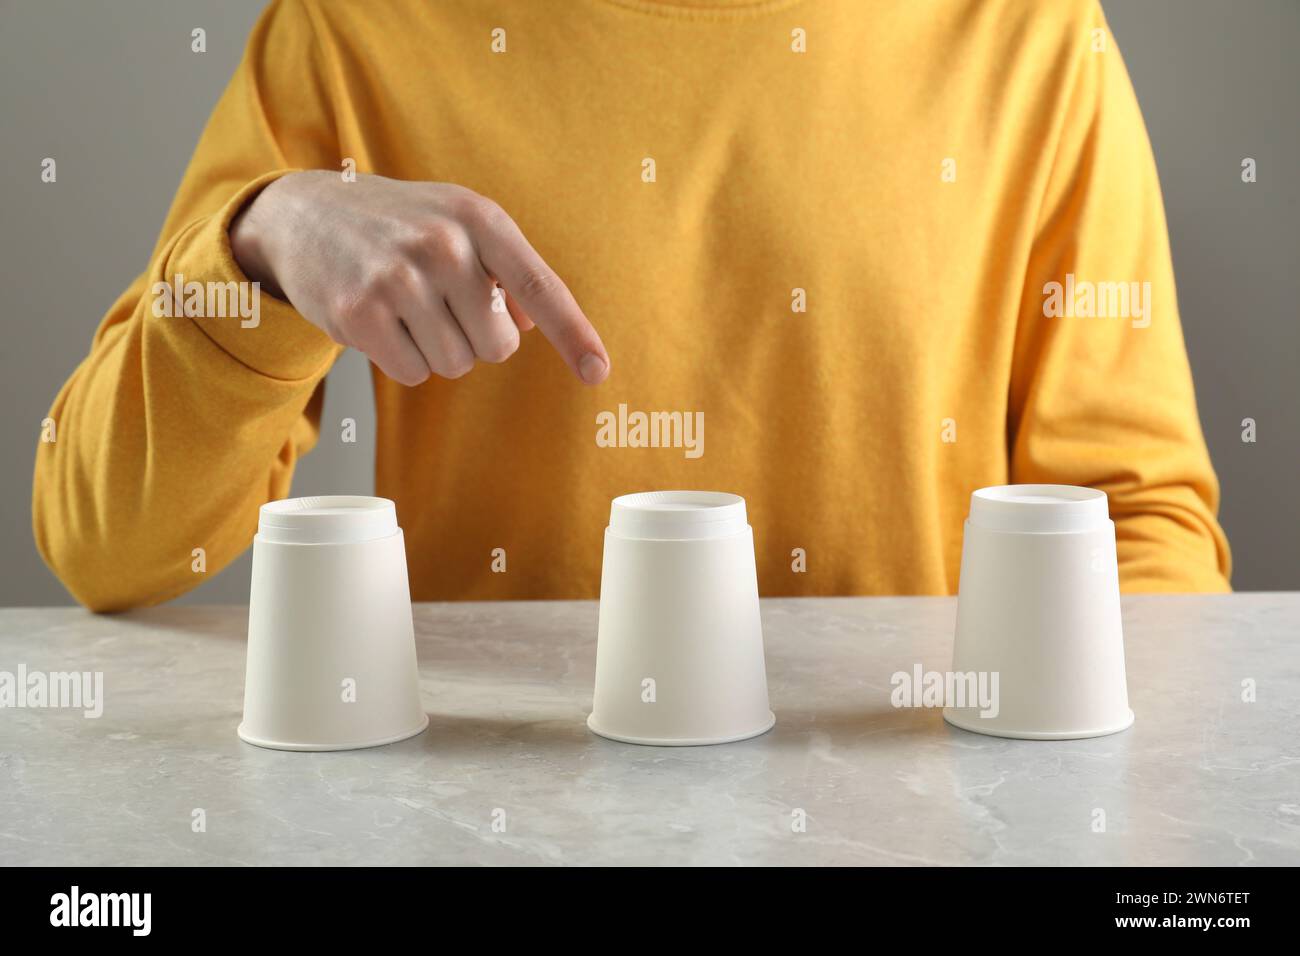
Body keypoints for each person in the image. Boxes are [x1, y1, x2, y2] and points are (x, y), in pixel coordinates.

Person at [32, 0, 1231, 612]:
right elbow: (104, 545)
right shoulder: (355, 28)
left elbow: (1141, 522)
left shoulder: (1032, 34)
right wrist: (264, 237)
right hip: (488, 822)